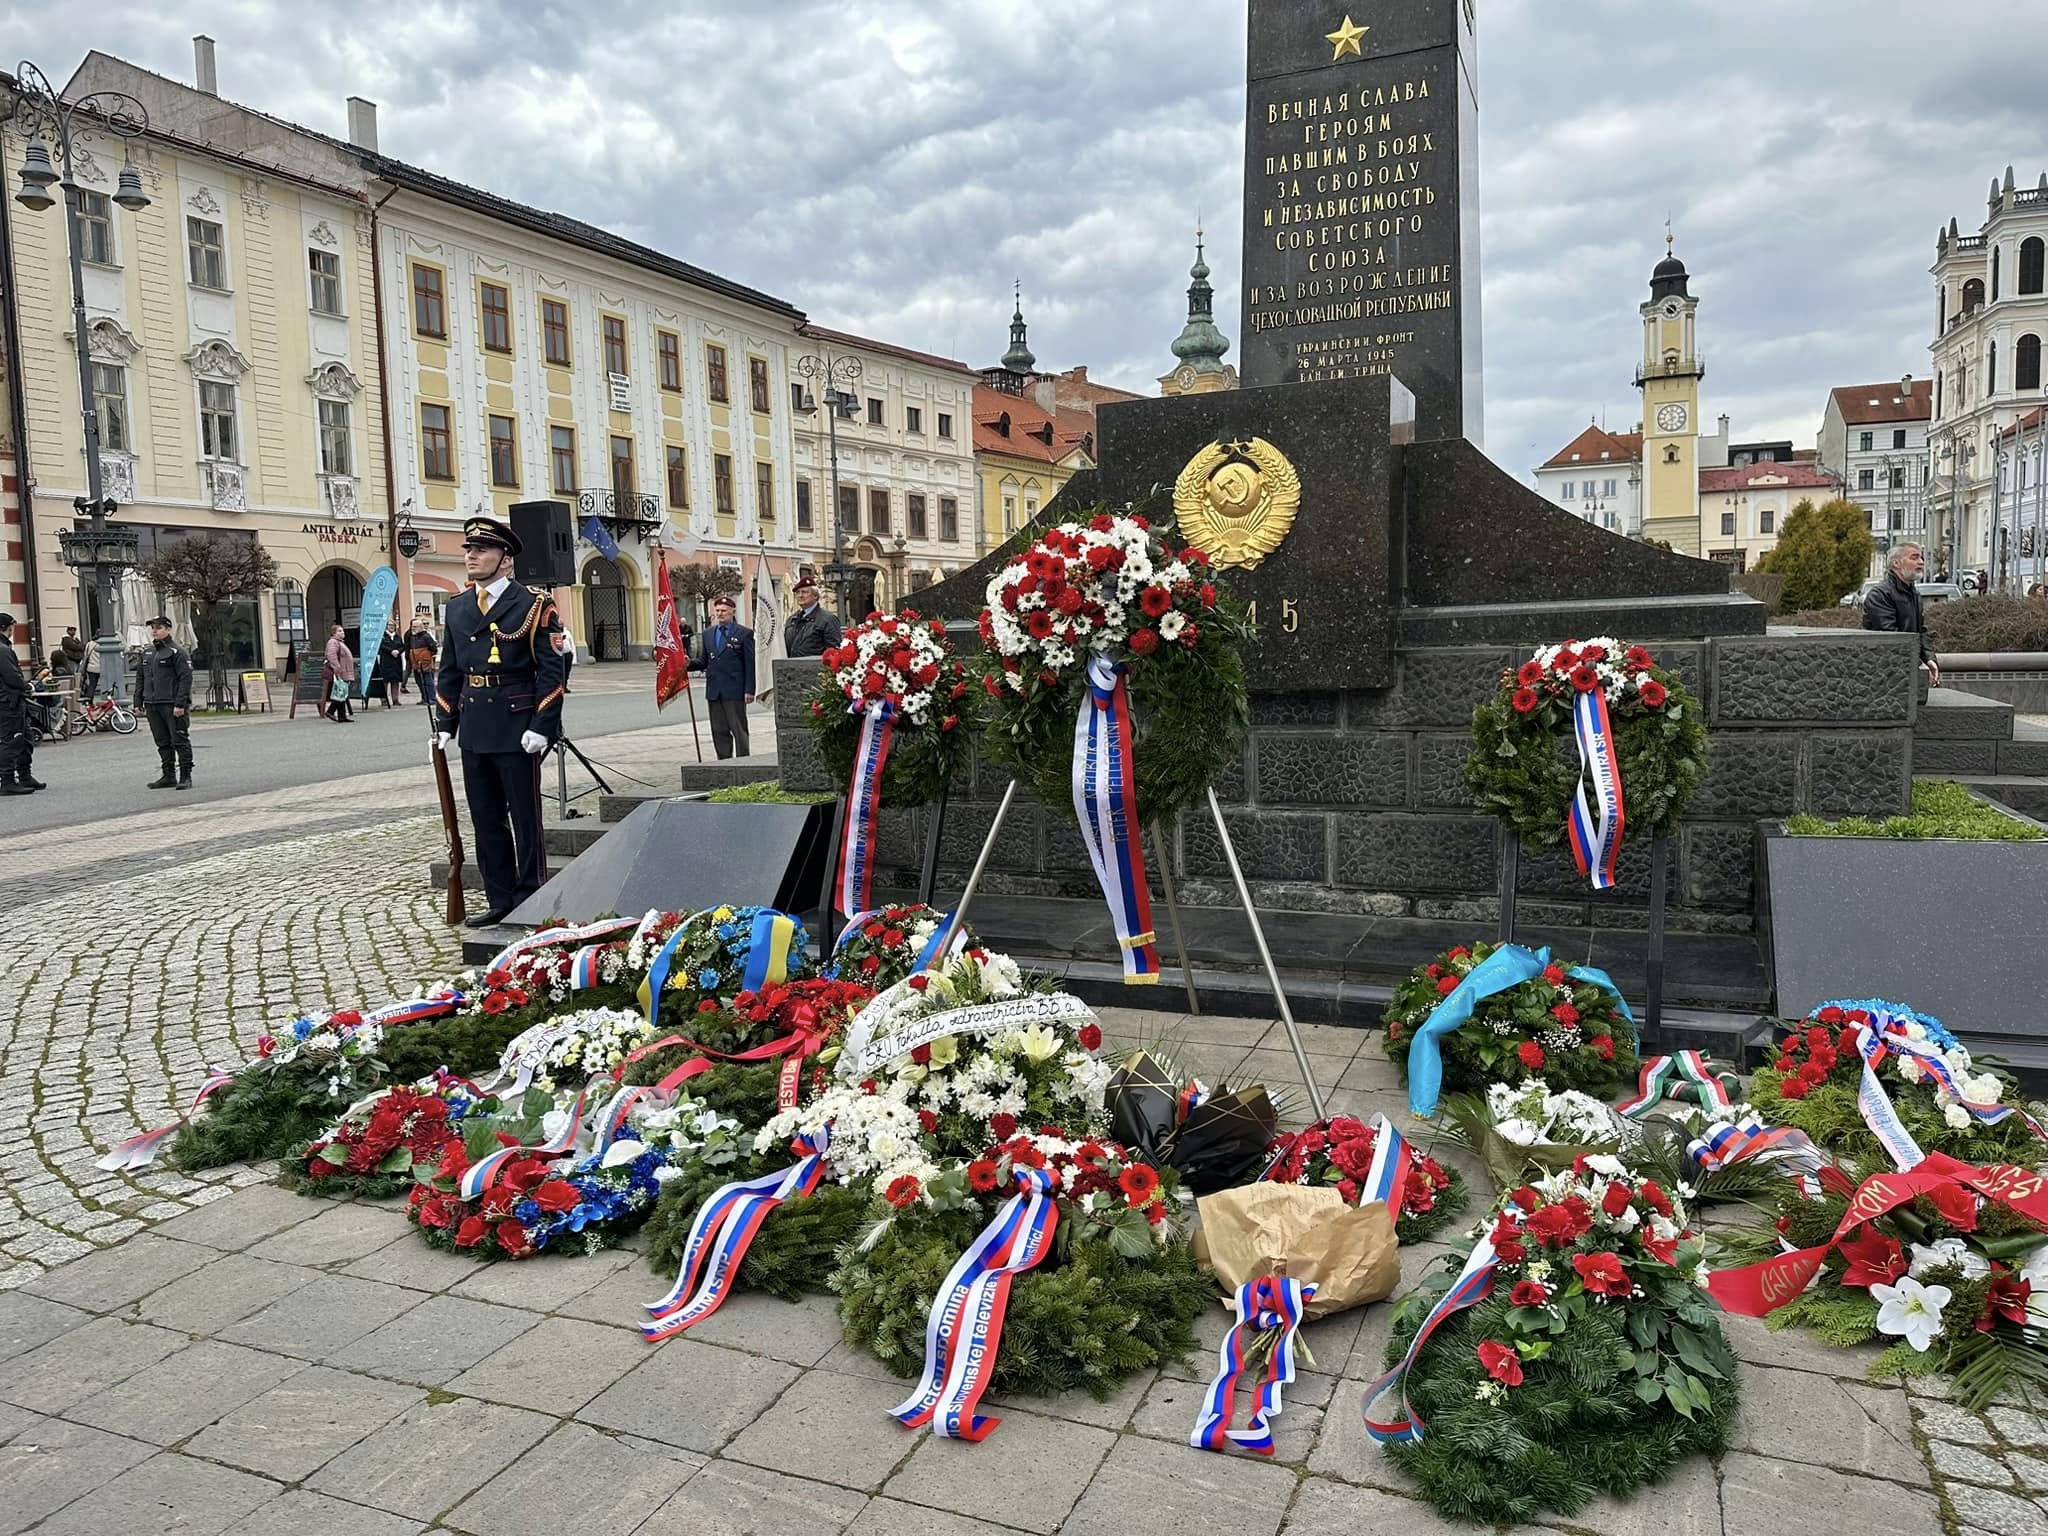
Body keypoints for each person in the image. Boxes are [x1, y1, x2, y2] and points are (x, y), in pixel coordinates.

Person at [433, 514, 567, 927]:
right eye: (469, 550)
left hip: (517, 724)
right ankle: (500, 897)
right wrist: (445, 722)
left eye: (482, 550)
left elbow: (553, 669)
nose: (472, 557)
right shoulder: (456, 608)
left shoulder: (533, 604)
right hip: (474, 725)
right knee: (485, 817)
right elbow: (450, 670)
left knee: (525, 818)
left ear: (505, 559)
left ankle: (530, 896)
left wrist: (541, 726)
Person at [1863, 542, 1939, 686]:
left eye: (1921, 558)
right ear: (1896, 563)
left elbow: (1920, 632)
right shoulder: (1879, 594)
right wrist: (1917, 664)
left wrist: (1929, 659)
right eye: (1914, 557)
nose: (1921, 562)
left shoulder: (1915, 594)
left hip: (1905, 669)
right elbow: (1890, 636)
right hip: (1884, 675)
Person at [689, 592, 755, 758]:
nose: (720, 613)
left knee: (738, 730)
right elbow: (704, 661)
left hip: (734, 690)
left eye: (724, 610)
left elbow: (750, 663)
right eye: (717, 610)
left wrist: (749, 689)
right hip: (714, 690)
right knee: (719, 731)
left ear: (733, 612)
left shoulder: (744, 633)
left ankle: (743, 762)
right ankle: (724, 762)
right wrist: (687, 664)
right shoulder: (708, 633)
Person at [139, 615, 194, 789]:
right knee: (162, 741)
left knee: (179, 739)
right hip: (152, 703)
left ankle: (185, 775)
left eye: (159, 627)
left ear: (168, 629)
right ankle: (168, 775)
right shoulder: (147, 653)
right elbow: (141, 678)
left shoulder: (177, 652)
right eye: (153, 627)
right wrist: (138, 701)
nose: (155, 630)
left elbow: (185, 679)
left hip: (171, 704)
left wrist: (180, 704)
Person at [0, 612, 41, 795]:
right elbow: (11, 677)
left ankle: (25, 775)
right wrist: (27, 686)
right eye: (12, 626)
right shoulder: (2, 650)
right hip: (8, 701)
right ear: (5, 627)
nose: (13, 630)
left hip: (13, 700)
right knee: (12, 741)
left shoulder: (5, 647)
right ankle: (7, 780)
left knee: (25, 739)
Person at [783, 576, 842, 658]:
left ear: (815, 596)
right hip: (791, 669)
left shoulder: (828, 619)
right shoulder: (791, 620)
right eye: (798, 592)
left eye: (804, 592)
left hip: (815, 669)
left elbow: (834, 652)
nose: (800, 595)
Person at [322, 623, 356, 723]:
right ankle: (330, 711)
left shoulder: (340, 642)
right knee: (340, 693)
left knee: (343, 692)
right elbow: (331, 656)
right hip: (339, 672)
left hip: (344, 671)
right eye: (339, 631)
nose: (342, 633)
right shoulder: (333, 642)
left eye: (342, 631)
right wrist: (337, 669)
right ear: (334, 633)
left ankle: (342, 716)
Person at [406, 614, 438, 704]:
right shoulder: (413, 636)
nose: (413, 628)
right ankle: (424, 698)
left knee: (428, 681)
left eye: (415, 626)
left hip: (425, 662)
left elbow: (433, 648)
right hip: (416, 663)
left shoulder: (426, 636)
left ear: (421, 627)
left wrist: (427, 656)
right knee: (419, 681)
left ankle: (431, 698)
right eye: (413, 626)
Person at [375, 627, 406, 708]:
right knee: (385, 681)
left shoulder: (397, 636)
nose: (391, 627)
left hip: (396, 661)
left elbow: (403, 646)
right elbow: (381, 646)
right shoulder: (383, 636)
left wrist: (399, 651)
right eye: (389, 625)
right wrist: (391, 651)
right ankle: (384, 700)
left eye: (393, 625)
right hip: (386, 661)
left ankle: (395, 699)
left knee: (395, 681)